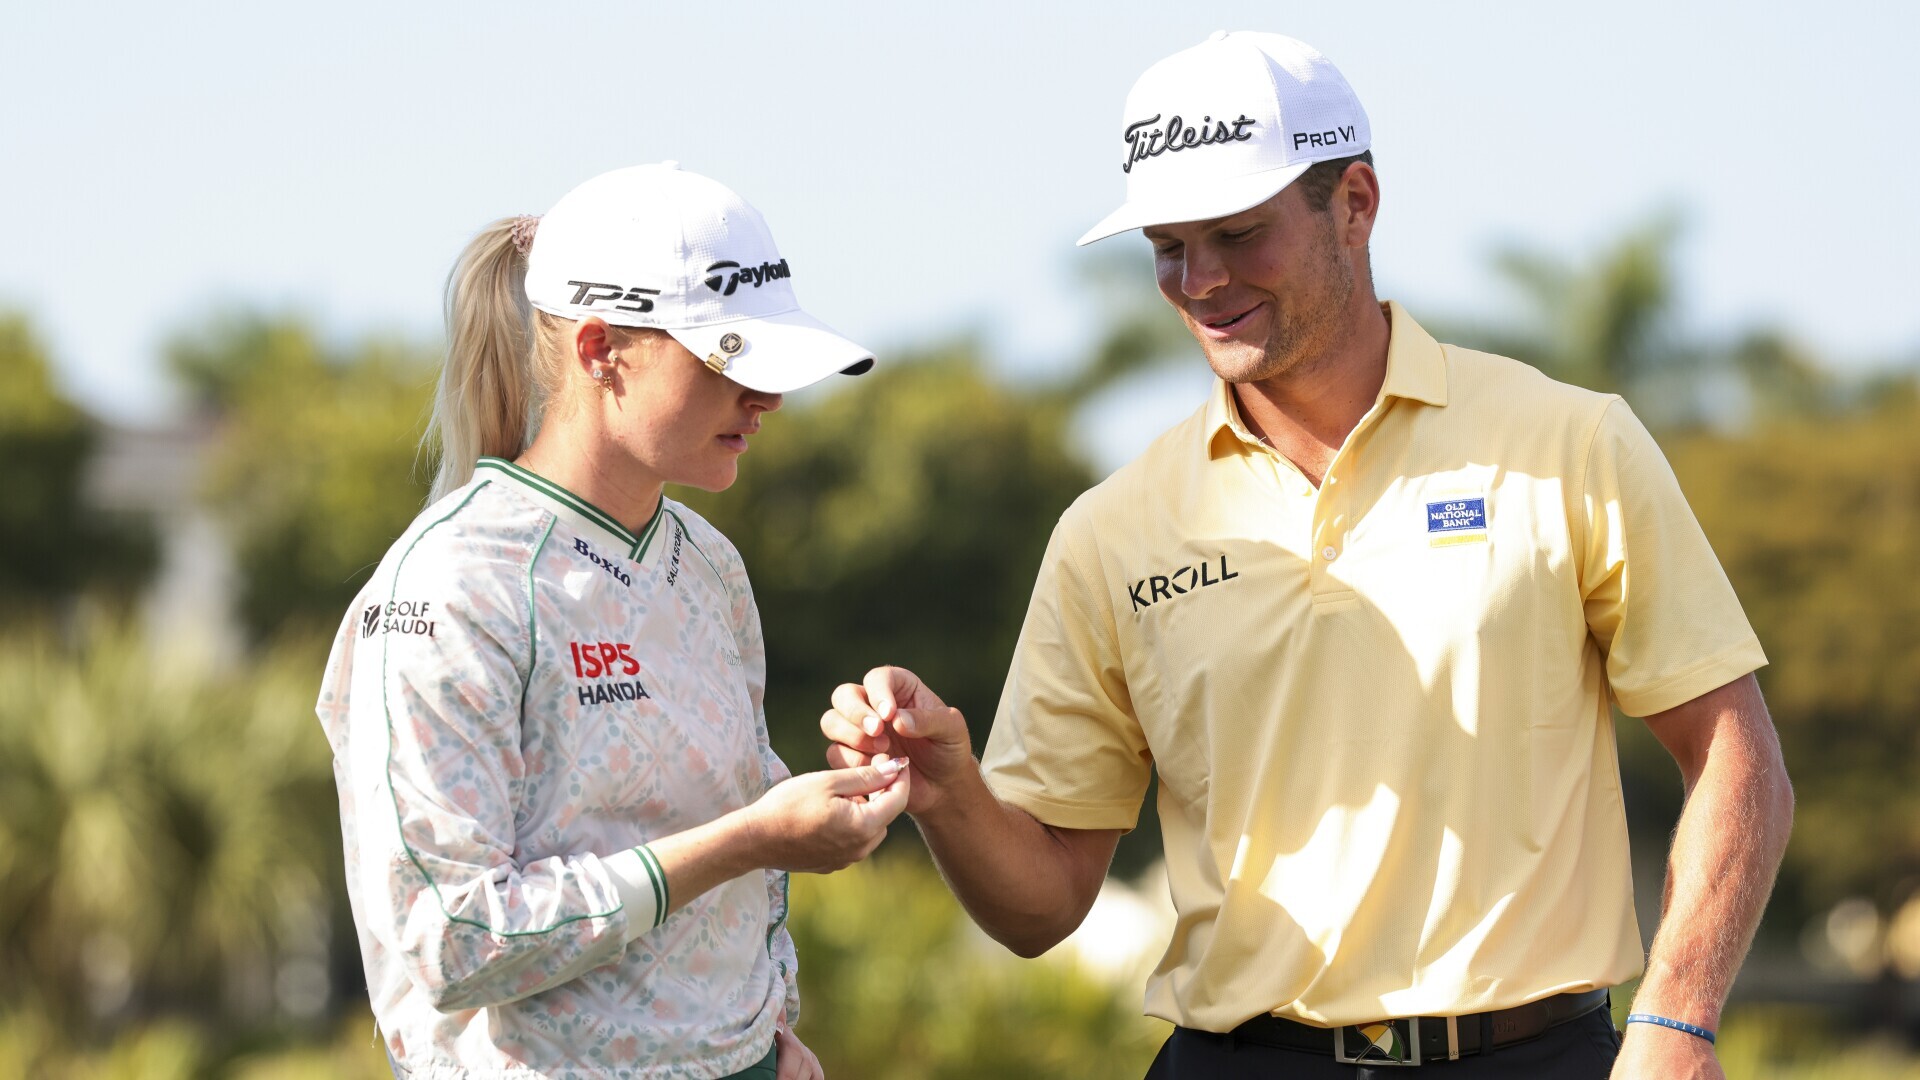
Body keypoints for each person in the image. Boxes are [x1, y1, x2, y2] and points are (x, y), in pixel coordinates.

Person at [821, 32, 1792, 1079]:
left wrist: (1677, 1020)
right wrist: (953, 792)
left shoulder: (1570, 443)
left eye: (1239, 233)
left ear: (1357, 203)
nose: (1201, 280)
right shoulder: (1111, 529)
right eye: (1168, 247)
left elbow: (1737, 757)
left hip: (1536, 1057)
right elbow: (1042, 906)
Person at [316, 163, 910, 1080]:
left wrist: (773, 1028)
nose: (769, 400)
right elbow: (452, 939)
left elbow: (736, 841)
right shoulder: (447, 585)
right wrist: (752, 837)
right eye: (730, 361)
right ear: (600, 351)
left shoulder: (711, 565)